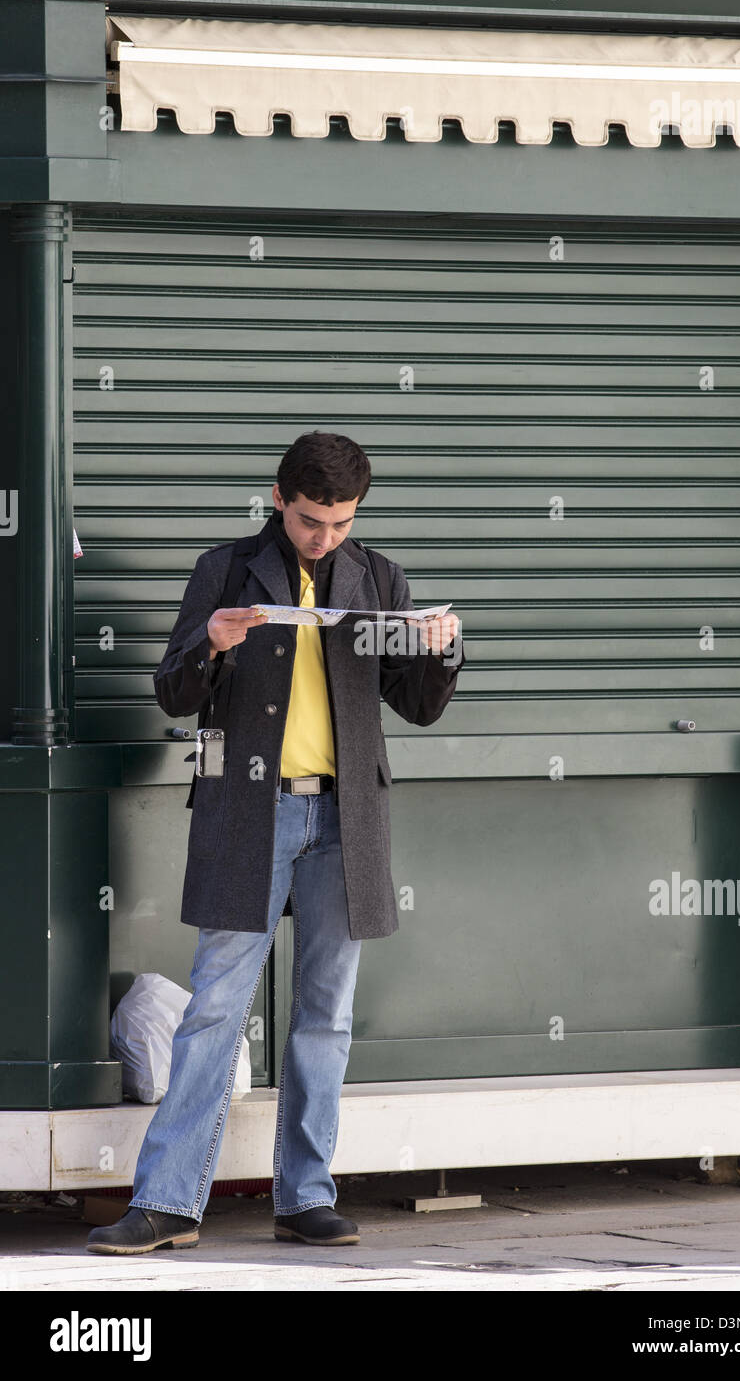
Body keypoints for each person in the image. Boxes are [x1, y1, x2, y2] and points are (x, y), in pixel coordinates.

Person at [87, 430, 464, 1254]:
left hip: (346, 818)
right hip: (249, 813)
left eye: (338, 523)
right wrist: (211, 645)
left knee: (326, 1013)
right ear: (277, 497)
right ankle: (167, 1203)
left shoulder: (379, 578)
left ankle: (304, 1195)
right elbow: (174, 689)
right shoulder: (224, 570)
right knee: (215, 1007)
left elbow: (418, 706)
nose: (322, 538)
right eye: (307, 521)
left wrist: (443, 650)